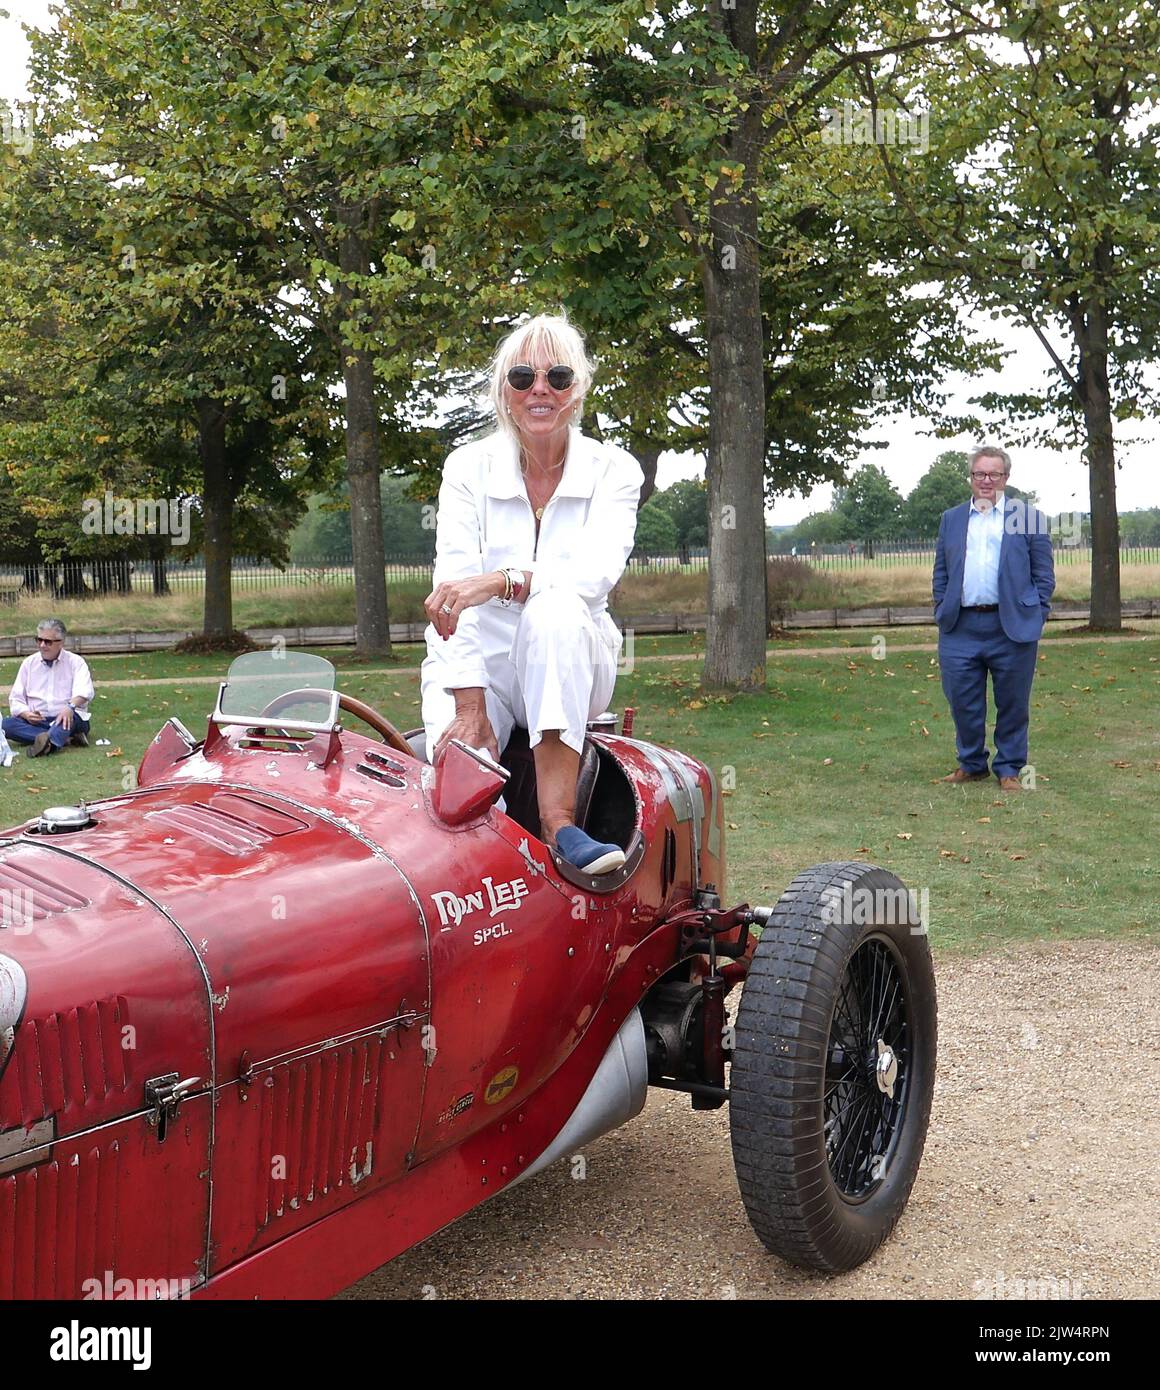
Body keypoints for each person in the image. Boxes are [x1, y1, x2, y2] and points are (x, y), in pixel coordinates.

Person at [421, 312, 643, 874]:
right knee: (457, 785)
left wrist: (502, 580)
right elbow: (451, 595)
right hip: (483, 664)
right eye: (522, 378)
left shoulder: (615, 470)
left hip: (573, 656)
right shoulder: (467, 468)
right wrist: (469, 707)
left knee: (557, 609)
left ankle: (560, 824)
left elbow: (595, 576)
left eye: (558, 377)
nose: (539, 389)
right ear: (505, 391)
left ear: (578, 388)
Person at [932, 447, 1055, 791]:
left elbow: (1044, 575)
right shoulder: (951, 519)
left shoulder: (1027, 517)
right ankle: (971, 764)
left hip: (1012, 626)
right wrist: (941, 606)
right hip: (960, 626)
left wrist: (1037, 612)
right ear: (970, 477)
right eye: (980, 474)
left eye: (994, 475)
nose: (986, 481)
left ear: (1006, 478)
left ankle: (1010, 768)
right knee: (962, 701)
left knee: (1013, 702)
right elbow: (941, 570)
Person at [3, 618, 95, 758]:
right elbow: (15, 699)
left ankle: (49, 744)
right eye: (39, 640)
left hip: (69, 717)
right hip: (37, 722)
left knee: (67, 720)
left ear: (61, 642)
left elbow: (85, 691)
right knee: (5, 725)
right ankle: (64, 739)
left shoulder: (76, 662)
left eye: (48, 642)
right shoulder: (29, 663)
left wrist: (70, 707)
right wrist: (26, 714)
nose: (42, 645)